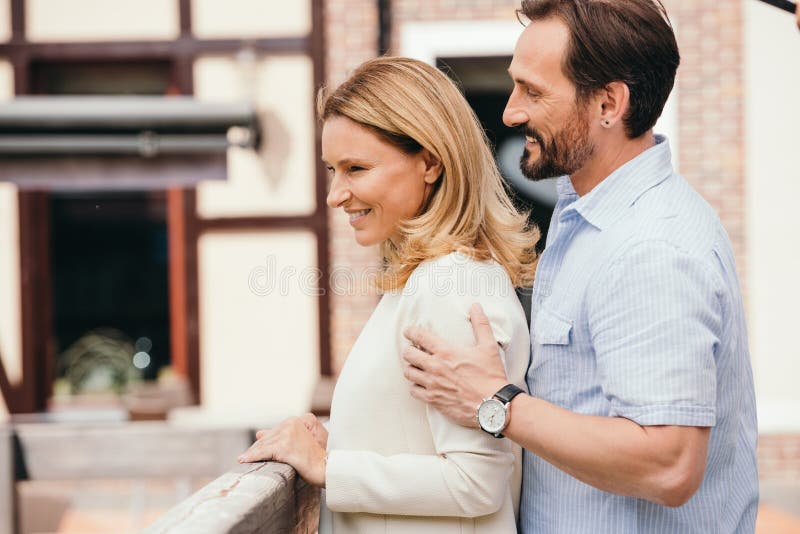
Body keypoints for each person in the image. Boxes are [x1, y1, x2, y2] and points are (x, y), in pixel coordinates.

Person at [402, 1, 759, 533]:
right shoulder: (587, 216)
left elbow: (670, 464)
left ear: (609, 103)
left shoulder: (650, 246)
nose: (510, 112)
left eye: (534, 92)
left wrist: (495, 401)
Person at [238, 56, 540, 533]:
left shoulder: (448, 287)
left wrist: (328, 467)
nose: (336, 194)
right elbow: (416, 435)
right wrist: (333, 440)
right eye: (332, 170)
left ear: (430, 163)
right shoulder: (430, 281)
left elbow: (475, 480)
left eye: (355, 168)